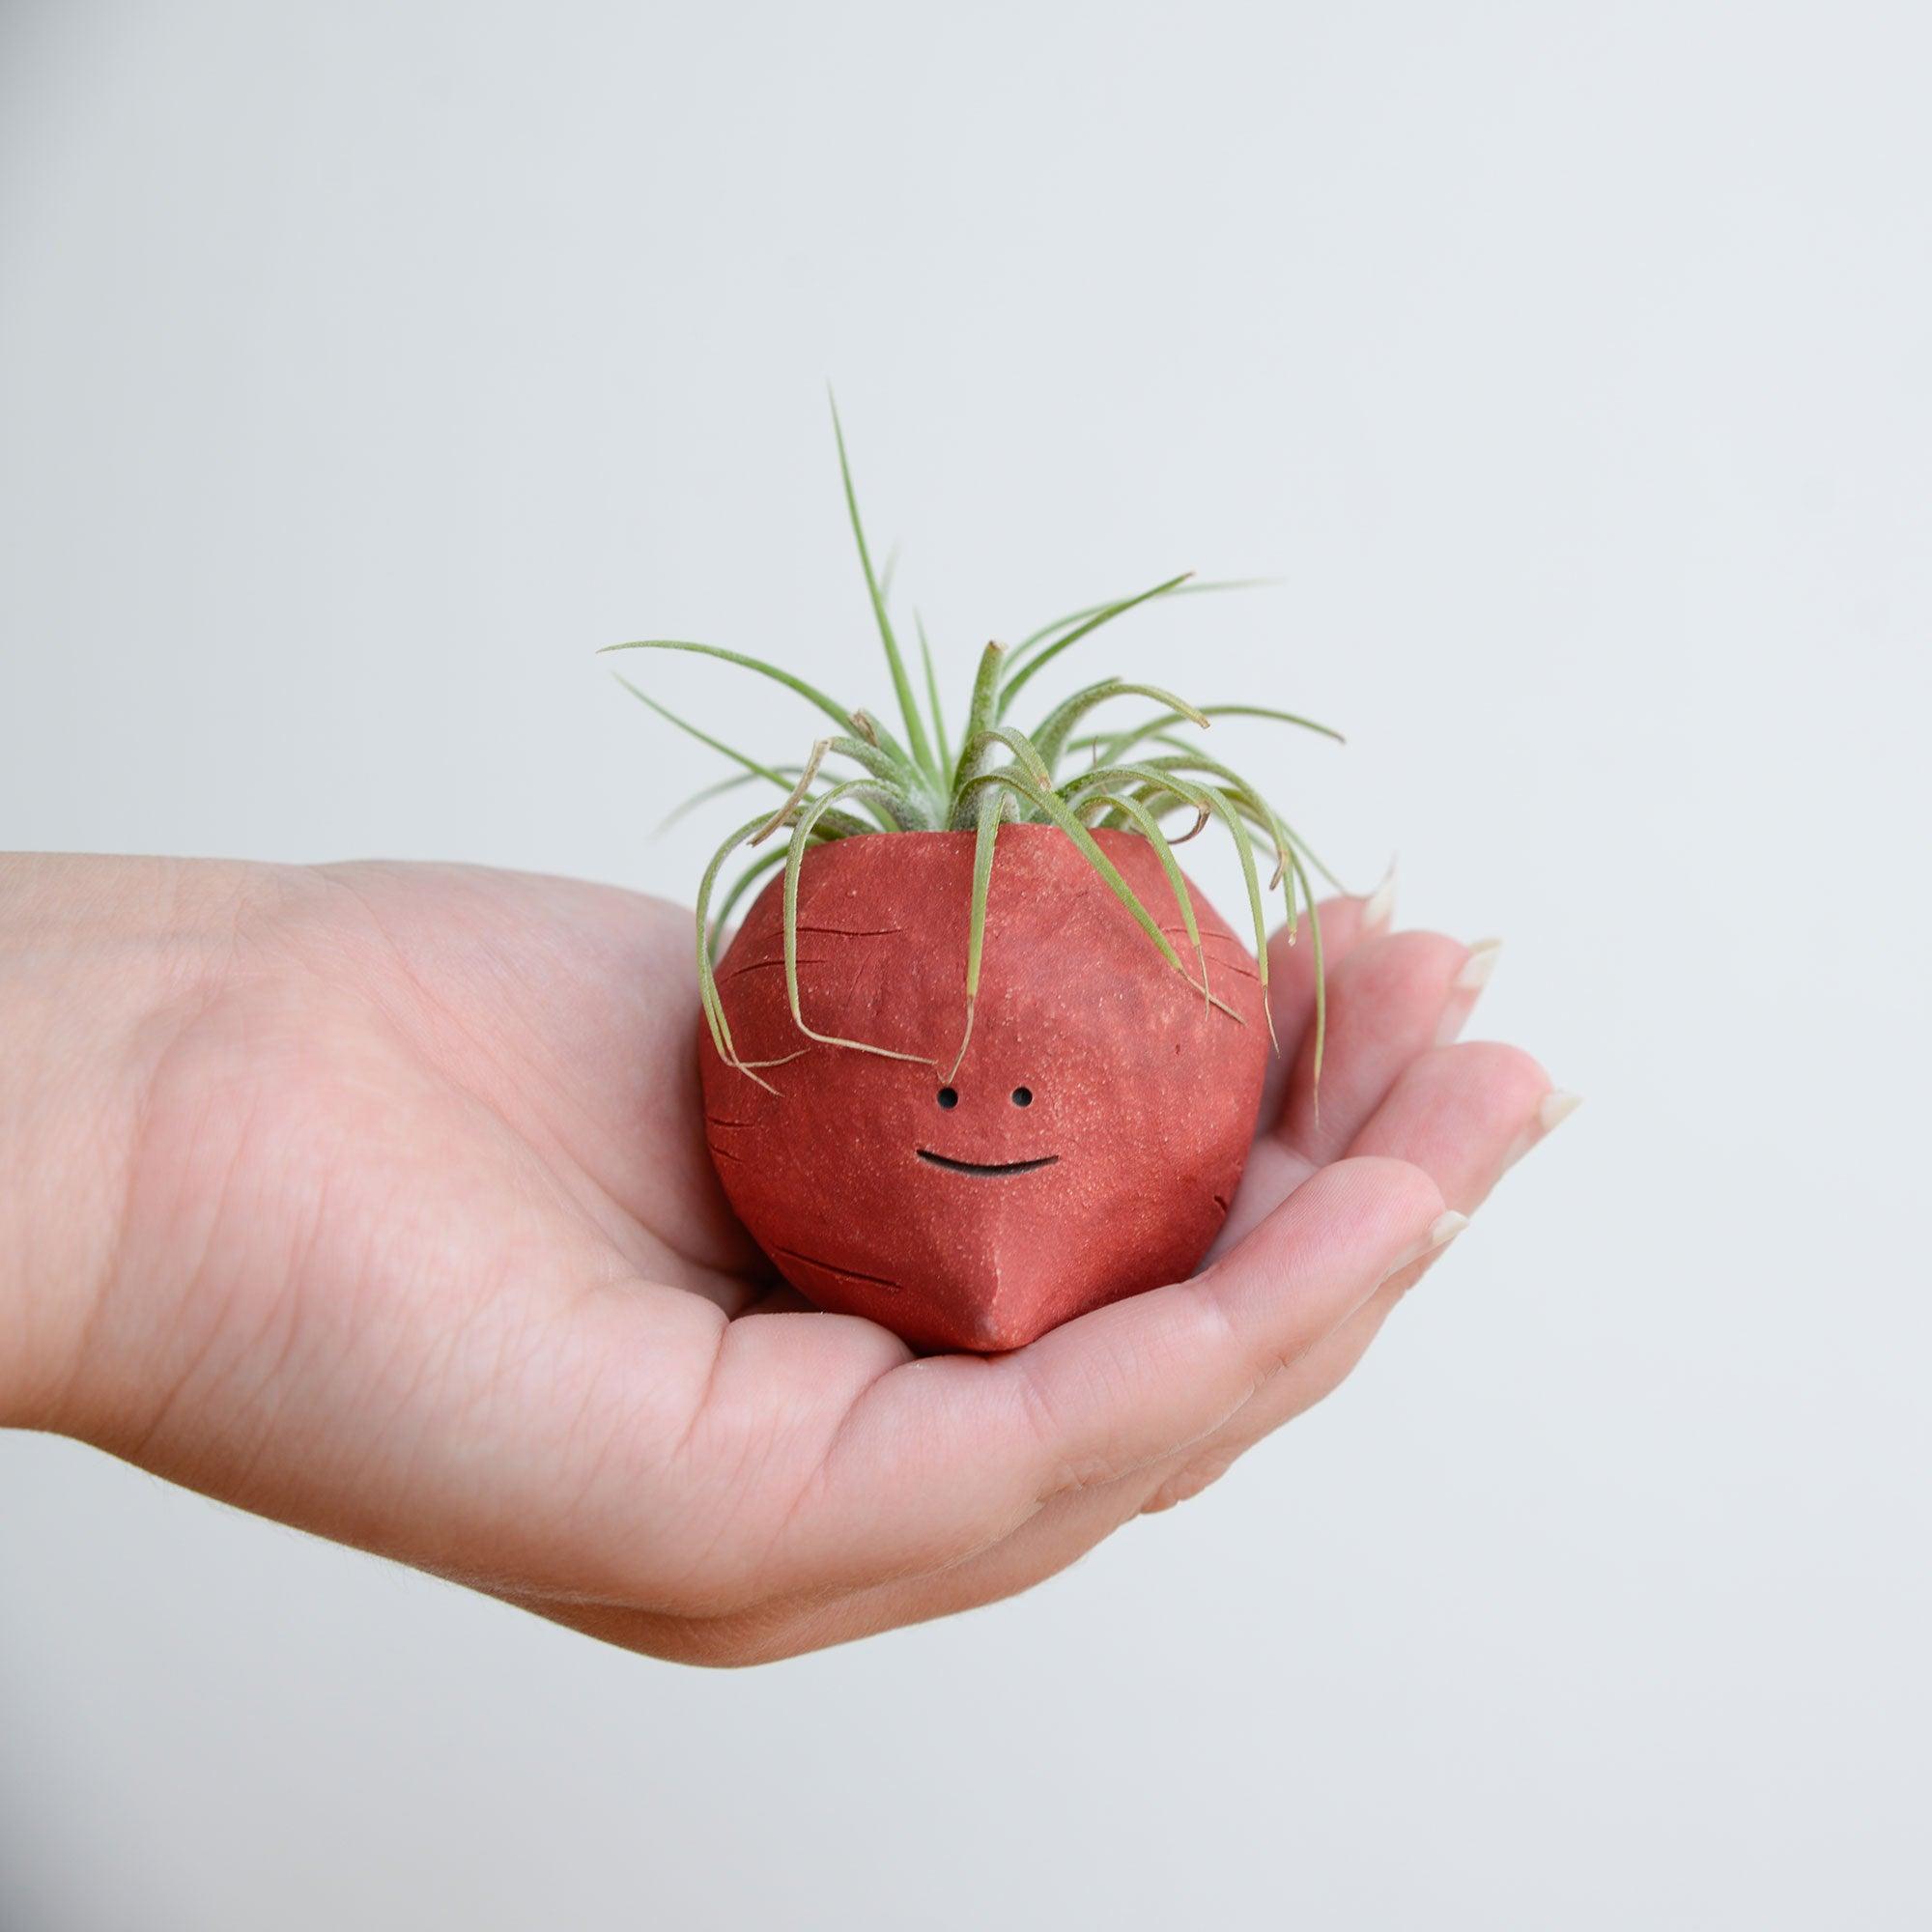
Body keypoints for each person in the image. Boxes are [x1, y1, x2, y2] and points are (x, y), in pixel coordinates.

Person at [0, 853, 1571, 1665]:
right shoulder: (799, 939)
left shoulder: (1143, 923)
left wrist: (151, 1073)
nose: (989, 1100)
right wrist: (145, 1096)